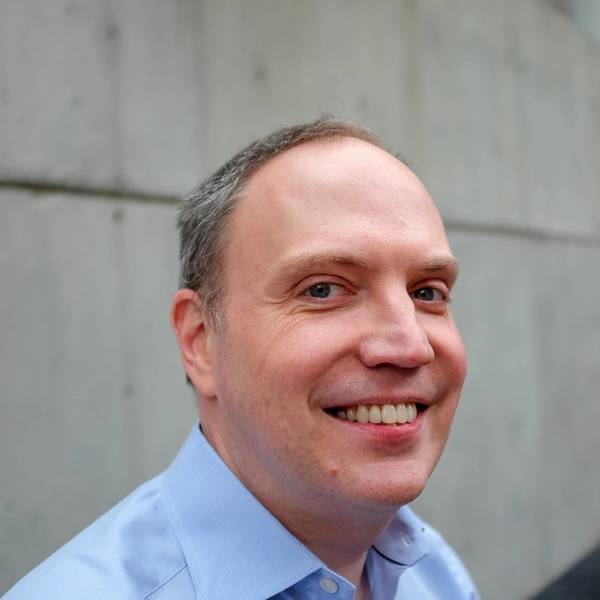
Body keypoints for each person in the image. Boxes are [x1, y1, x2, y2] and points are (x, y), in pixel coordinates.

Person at [5, 119, 479, 599]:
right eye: (322, 289)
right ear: (200, 342)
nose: (410, 346)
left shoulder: (434, 575)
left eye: (427, 292)